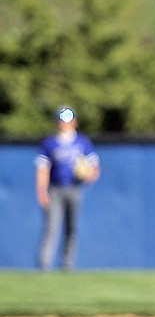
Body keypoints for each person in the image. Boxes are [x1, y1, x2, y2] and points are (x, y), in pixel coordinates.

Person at [35, 106, 101, 270]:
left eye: (69, 120)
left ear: (75, 122)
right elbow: (43, 168)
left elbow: (94, 168)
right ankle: (44, 265)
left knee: (71, 228)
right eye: (62, 120)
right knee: (51, 227)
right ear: (57, 122)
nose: (65, 124)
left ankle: (67, 264)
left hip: (74, 188)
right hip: (55, 188)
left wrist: (88, 175)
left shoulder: (82, 142)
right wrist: (41, 191)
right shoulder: (50, 143)